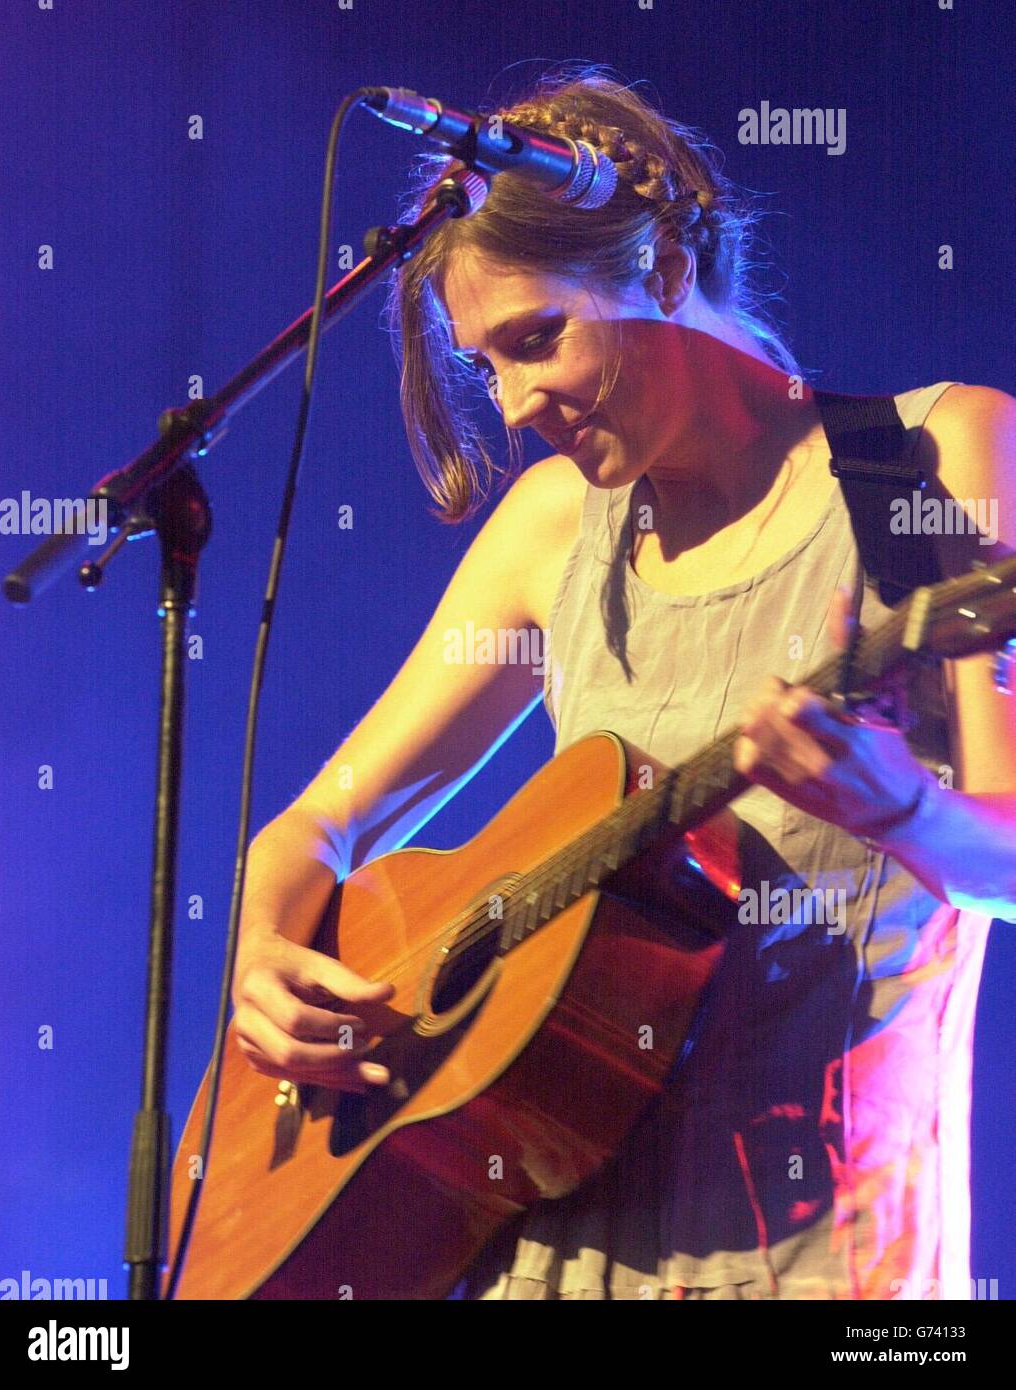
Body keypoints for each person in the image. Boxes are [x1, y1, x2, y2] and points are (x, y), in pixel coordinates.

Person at [229, 67, 1016, 1299]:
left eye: (536, 340)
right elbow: (317, 823)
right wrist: (261, 947)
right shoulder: (553, 527)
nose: (515, 404)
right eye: (485, 365)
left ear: (656, 271)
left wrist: (897, 806)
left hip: (825, 1269)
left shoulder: (934, 454)